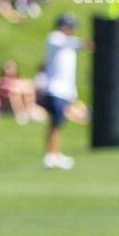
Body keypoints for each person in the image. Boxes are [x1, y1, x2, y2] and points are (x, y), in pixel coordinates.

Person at [40, 13, 82, 169]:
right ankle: (50, 154)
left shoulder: (67, 44)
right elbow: (69, 42)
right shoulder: (54, 37)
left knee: (58, 123)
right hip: (55, 88)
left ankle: (54, 153)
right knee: (54, 123)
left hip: (65, 91)